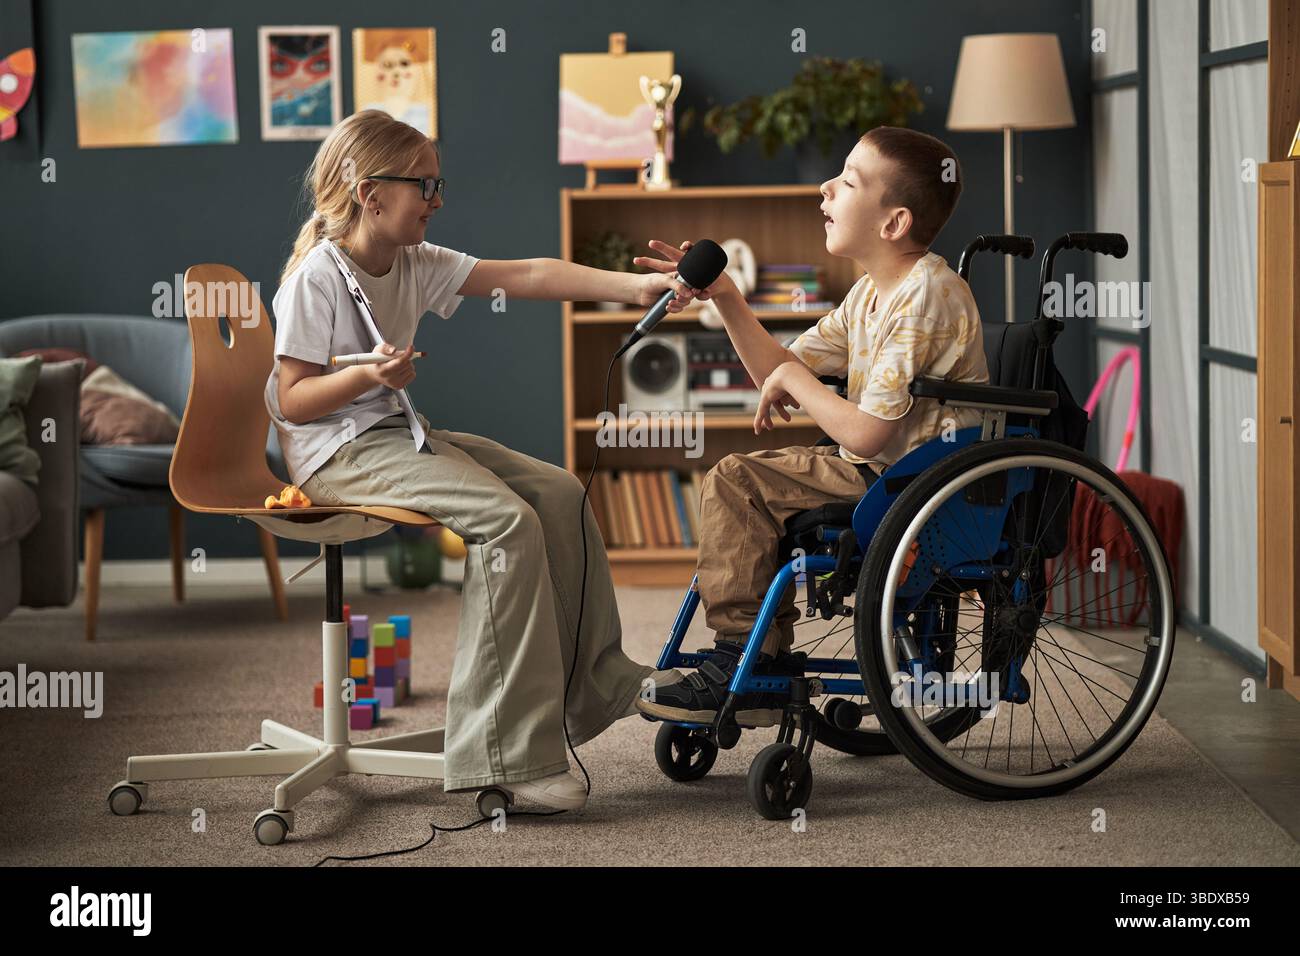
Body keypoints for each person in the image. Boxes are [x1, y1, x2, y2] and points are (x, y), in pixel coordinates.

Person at [267, 109, 692, 809]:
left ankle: (600, 680)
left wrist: (633, 288)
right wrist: (366, 378)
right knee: (506, 522)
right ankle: (503, 755)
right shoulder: (318, 277)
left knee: (558, 495)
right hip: (334, 455)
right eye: (424, 187)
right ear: (371, 194)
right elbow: (293, 400)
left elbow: (526, 274)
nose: (437, 201)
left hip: (395, 435)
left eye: (439, 185)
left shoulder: (411, 262)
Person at [634, 126, 989, 726]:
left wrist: (796, 383)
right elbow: (779, 369)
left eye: (847, 180)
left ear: (893, 223)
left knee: (736, 480)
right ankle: (752, 656)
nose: (825, 187)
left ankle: (742, 660)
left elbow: (866, 433)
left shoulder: (926, 293)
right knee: (740, 481)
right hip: (880, 475)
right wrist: (726, 297)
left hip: (913, 486)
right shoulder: (871, 294)